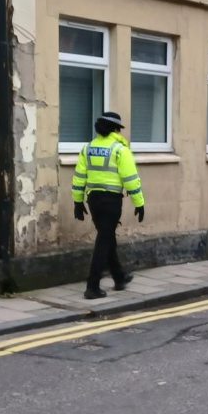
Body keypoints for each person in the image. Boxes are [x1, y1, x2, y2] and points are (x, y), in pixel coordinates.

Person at [72, 110, 146, 299]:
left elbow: (79, 177)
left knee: (107, 237)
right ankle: (92, 286)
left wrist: (78, 202)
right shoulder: (120, 149)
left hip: (94, 200)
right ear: (115, 129)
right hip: (111, 202)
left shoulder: (87, 148)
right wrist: (139, 203)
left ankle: (119, 277)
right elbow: (131, 179)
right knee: (104, 240)